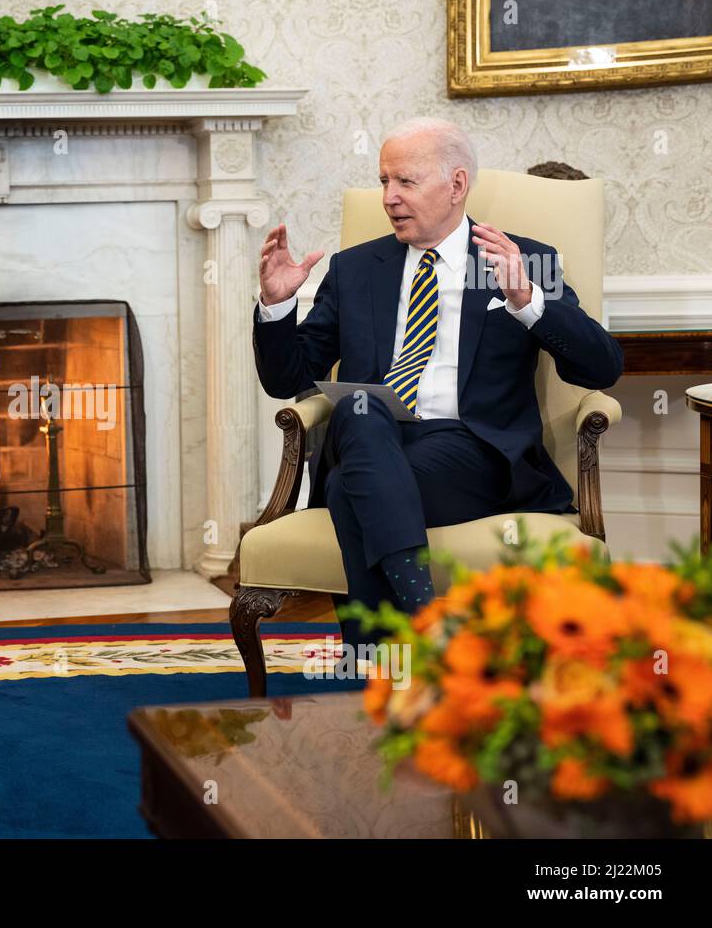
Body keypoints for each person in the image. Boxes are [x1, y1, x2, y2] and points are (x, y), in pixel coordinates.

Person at [253, 116, 623, 636]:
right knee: (363, 408)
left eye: (405, 181)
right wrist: (277, 305)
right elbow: (288, 377)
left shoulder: (520, 260)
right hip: (372, 436)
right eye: (384, 181)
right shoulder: (356, 269)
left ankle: (382, 659)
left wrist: (527, 301)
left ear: (456, 185)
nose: (389, 197)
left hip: (474, 450)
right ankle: (425, 621)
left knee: (347, 490)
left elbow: (602, 366)